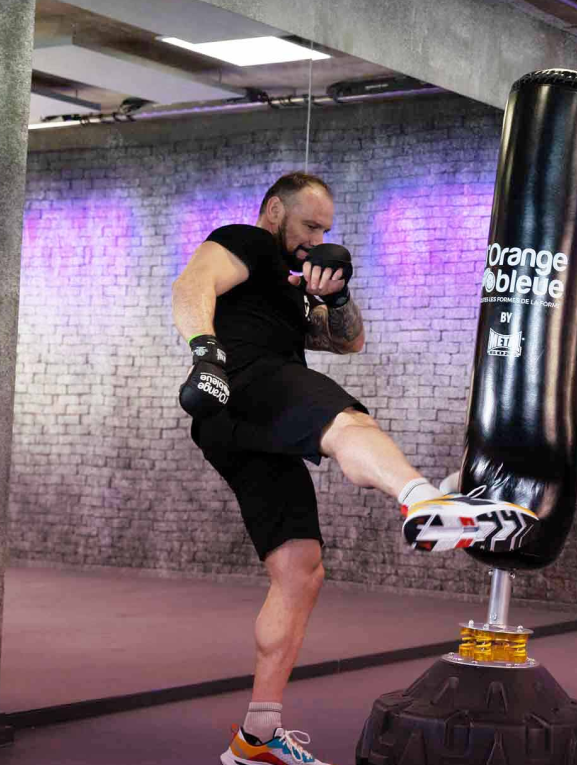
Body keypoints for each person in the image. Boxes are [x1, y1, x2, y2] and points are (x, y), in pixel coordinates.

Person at [171, 172, 535, 766]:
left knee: (299, 572)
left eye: (325, 231)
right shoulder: (248, 240)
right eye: (309, 226)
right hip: (243, 379)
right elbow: (192, 284)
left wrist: (334, 298)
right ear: (273, 212)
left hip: (239, 428)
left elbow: (348, 342)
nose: (317, 238)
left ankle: (256, 739)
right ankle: (422, 499)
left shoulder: (287, 284)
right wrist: (206, 354)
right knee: (349, 425)